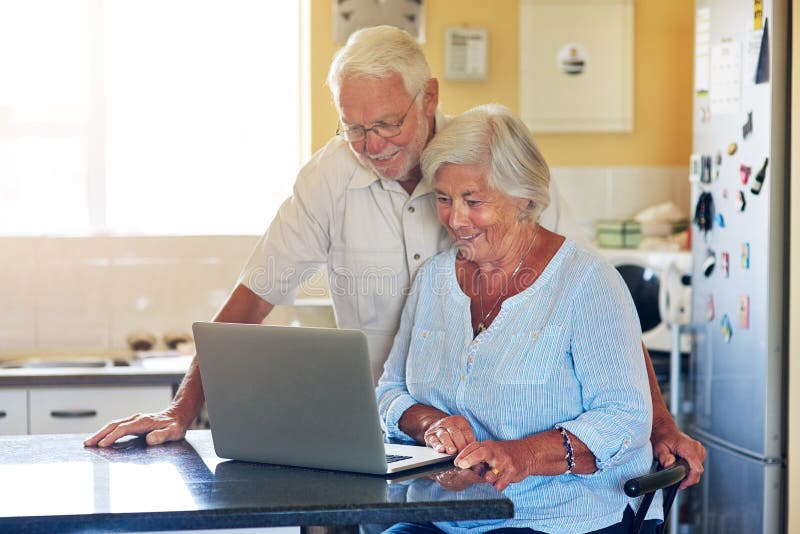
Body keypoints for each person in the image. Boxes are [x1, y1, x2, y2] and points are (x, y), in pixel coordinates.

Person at [83, 25, 705, 489]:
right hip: (391, 440)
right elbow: (253, 295)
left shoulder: (494, 169)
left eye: (386, 123)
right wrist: (182, 408)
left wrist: (655, 425)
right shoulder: (330, 178)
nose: (371, 145)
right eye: (353, 128)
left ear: (429, 98)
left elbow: (594, 309)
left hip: (524, 459)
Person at [378, 103, 659, 533]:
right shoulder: (432, 280)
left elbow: (624, 419)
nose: (455, 219)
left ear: (524, 196)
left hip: (556, 518)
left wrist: (521, 455)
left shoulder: (587, 283)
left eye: (473, 201)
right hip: (443, 518)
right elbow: (389, 392)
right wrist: (430, 423)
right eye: (443, 199)